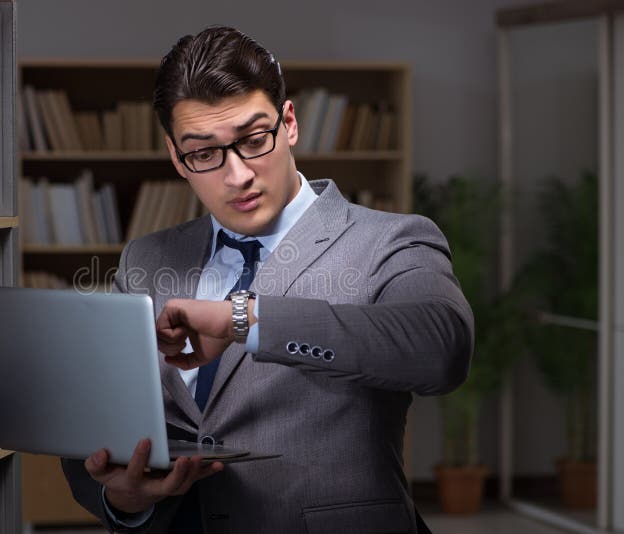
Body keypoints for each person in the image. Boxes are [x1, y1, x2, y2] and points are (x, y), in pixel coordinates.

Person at [62, 25, 473, 533]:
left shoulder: (390, 241)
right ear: (175, 156)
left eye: (254, 140)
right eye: (204, 153)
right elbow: (97, 425)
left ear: (290, 123)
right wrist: (122, 499)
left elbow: (442, 349)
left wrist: (244, 318)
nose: (237, 175)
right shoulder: (146, 259)